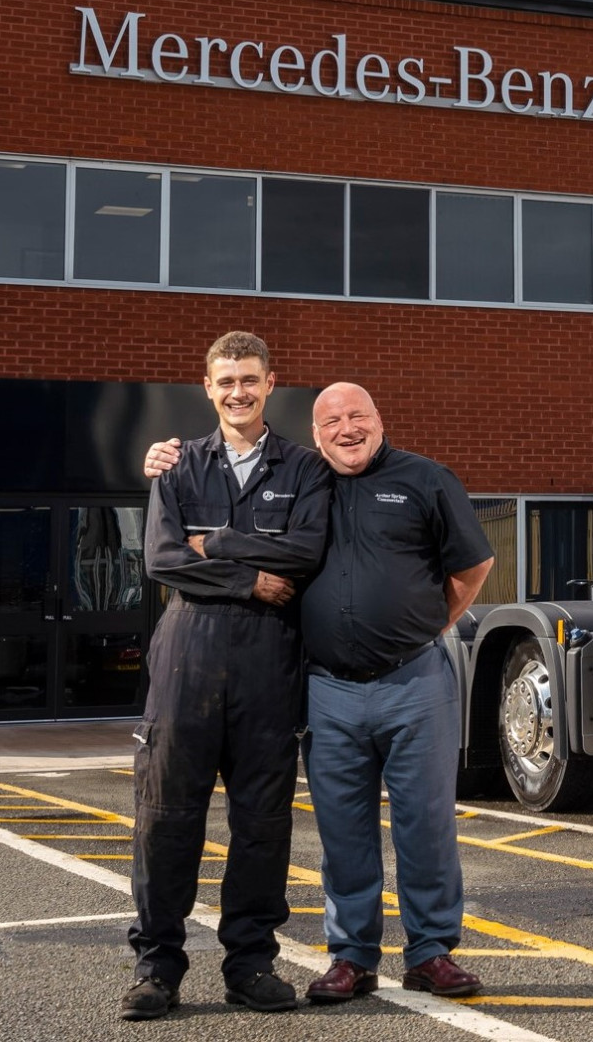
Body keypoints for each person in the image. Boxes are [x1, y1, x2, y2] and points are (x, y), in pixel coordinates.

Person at [146, 381, 494, 1003]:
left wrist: (427, 625)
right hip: (328, 689)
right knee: (343, 831)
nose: (346, 429)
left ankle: (432, 951)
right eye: (332, 421)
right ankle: (352, 957)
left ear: (379, 420)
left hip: (415, 681)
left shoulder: (425, 478)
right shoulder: (307, 478)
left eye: (357, 415)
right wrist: (160, 459)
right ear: (315, 434)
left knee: (426, 825)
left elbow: (473, 567)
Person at [124, 331, 331, 1021]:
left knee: (262, 824)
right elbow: (160, 558)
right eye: (225, 381)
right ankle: (157, 968)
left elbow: (305, 550)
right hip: (187, 653)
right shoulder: (178, 466)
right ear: (207, 388)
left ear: (271, 383)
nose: (237, 391)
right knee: (164, 820)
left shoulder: (305, 469)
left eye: (250, 379)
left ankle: (250, 965)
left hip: (270, 663)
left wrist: (213, 544)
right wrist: (249, 579)